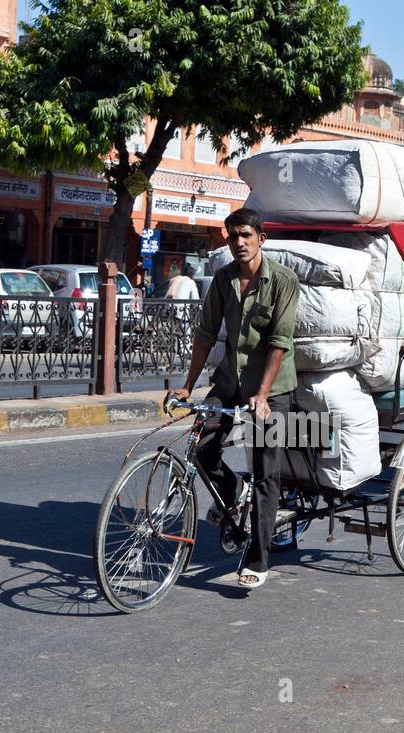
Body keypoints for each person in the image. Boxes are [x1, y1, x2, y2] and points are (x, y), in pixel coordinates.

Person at [169, 209, 298, 590]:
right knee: (203, 447)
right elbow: (206, 334)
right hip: (229, 380)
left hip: (272, 390)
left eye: (244, 235)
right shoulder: (223, 280)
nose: (237, 242)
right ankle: (232, 492)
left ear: (261, 237)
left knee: (265, 472)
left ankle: (258, 557)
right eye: (231, 236)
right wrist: (188, 386)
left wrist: (261, 394)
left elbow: (280, 340)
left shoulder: (284, 281)